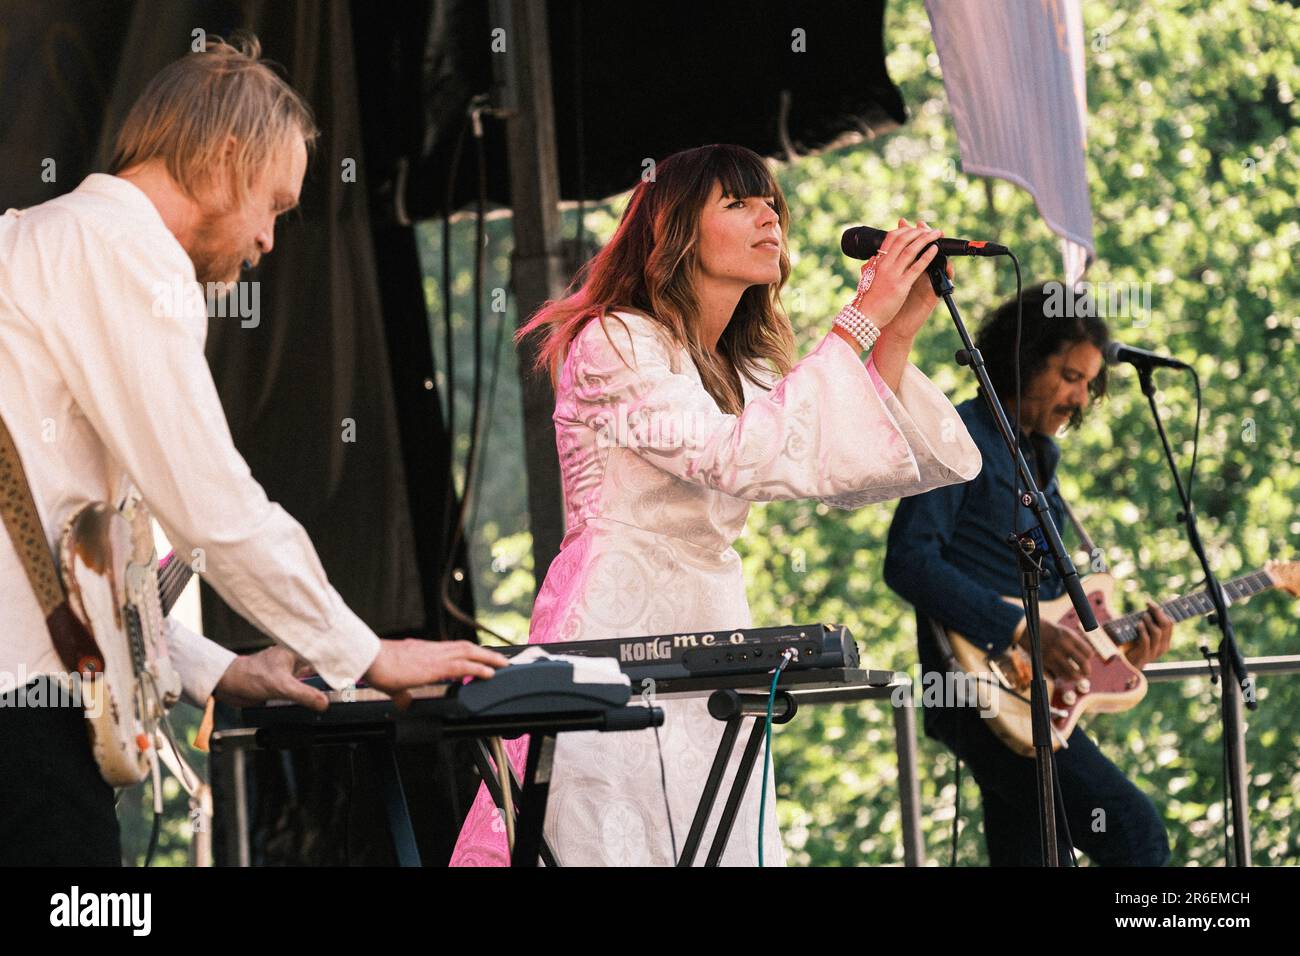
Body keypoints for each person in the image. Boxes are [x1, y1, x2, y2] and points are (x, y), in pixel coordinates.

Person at [0, 36, 506, 867]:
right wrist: (366, 652)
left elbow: (66, 561)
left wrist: (216, 668)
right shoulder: (124, 255)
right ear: (227, 157)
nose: (270, 240)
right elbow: (213, 509)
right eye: (273, 204)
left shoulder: (45, 245)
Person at [450, 144, 983, 866]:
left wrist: (895, 330)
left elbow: (842, 466)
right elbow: (731, 456)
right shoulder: (615, 339)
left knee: (714, 838)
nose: (768, 214)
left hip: (710, 617)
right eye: (737, 202)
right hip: (613, 617)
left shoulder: (746, 363)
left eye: (771, 202)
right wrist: (859, 316)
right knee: (611, 836)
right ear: (674, 230)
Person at [883, 283, 1175, 866]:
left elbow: (1049, 606)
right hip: (979, 693)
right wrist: (1015, 633)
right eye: (1070, 376)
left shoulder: (1039, 461)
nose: (1081, 397)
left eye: (1090, 384)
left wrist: (1108, 654)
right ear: (1023, 357)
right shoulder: (958, 436)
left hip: (1028, 701)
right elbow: (909, 560)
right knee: (1135, 835)